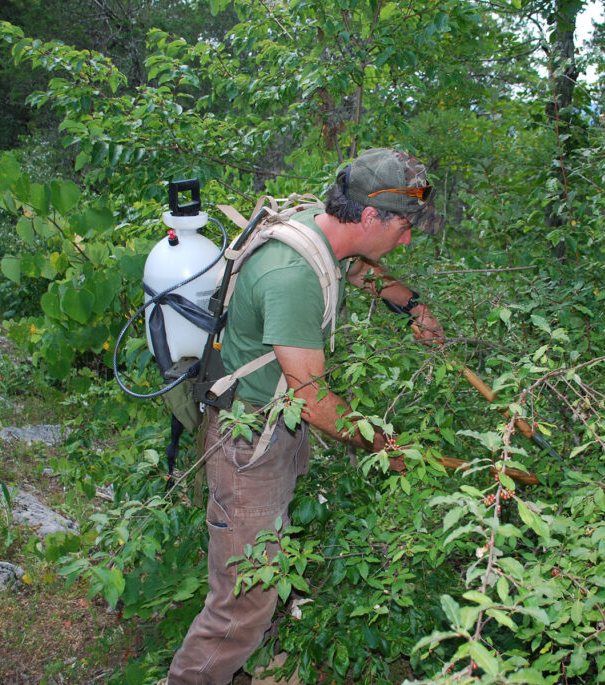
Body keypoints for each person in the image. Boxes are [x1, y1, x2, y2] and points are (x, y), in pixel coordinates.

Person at [163, 148, 446, 685]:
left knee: (269, 579)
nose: (406, 240)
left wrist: (411, 305)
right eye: (404, 228)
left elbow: (356, 265)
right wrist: (389, 446)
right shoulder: (290, 275)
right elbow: (313, 401)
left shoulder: (319, 225)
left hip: (276, 427)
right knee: (241, 604)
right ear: (369, 216)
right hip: (249, 446)